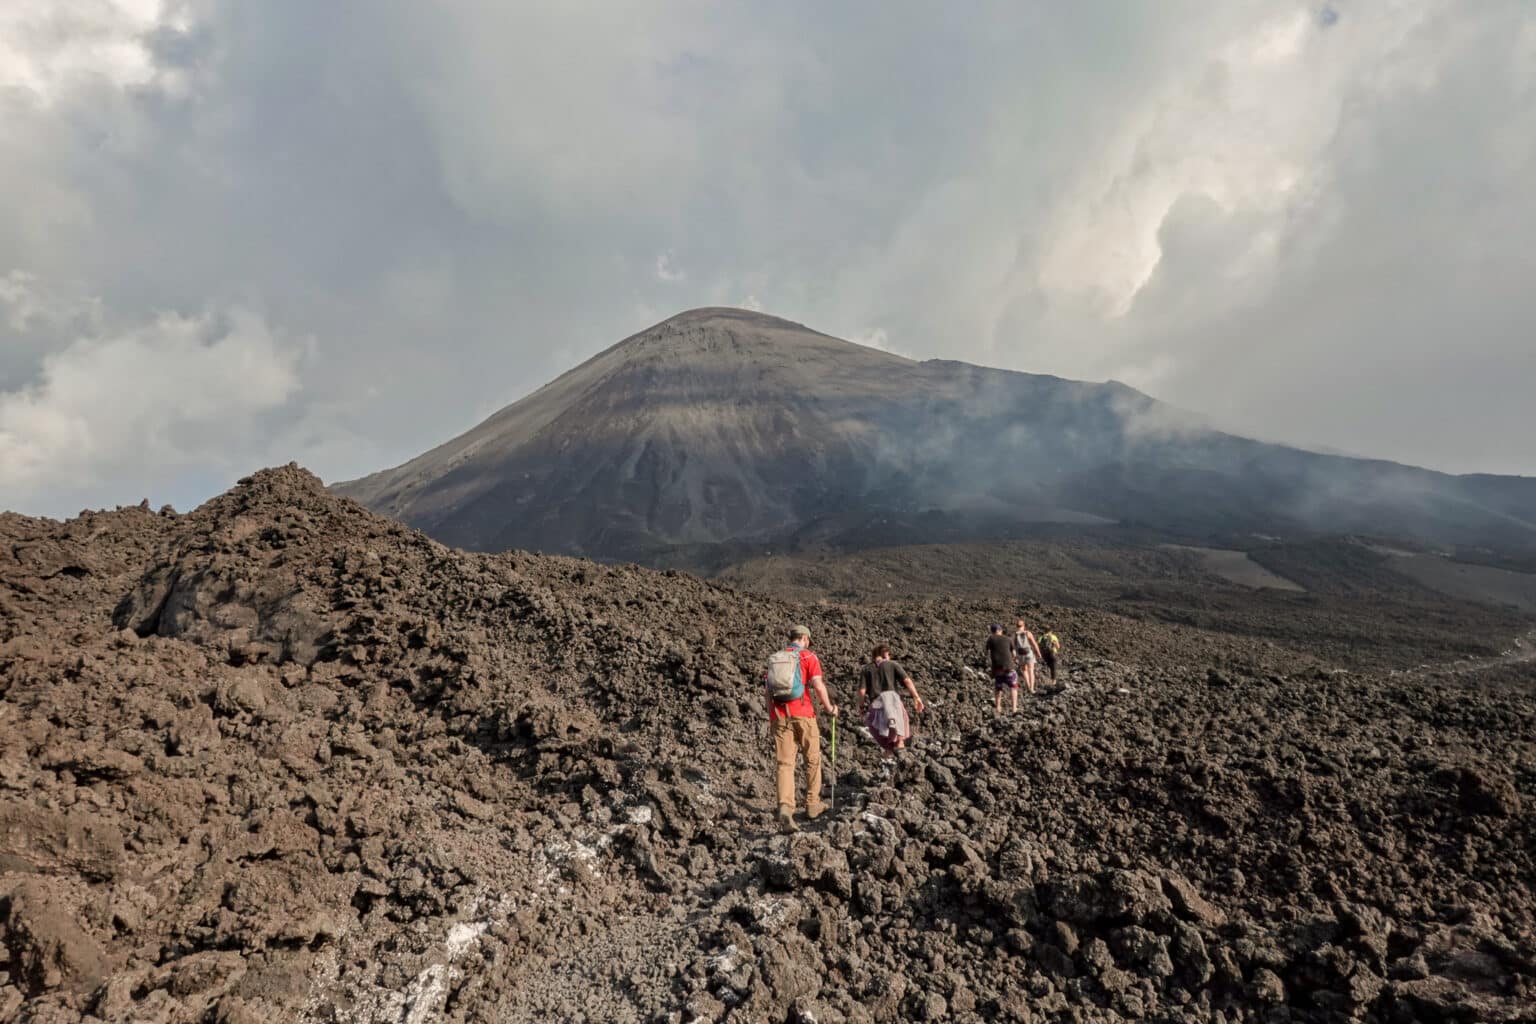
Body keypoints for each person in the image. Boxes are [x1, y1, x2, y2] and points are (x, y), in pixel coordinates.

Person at [764, 625, 839, 834]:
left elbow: (768, 692)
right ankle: (813, 804)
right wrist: (830, 708)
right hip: (804, 714)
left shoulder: (776, 658)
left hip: (780, 716)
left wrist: (773, 718)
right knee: (812, 759)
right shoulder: (808, 656)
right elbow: (817, 685)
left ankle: (785, 808)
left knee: (785, 764)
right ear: (805, 638)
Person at [858, 645, 925, 755]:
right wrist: (916, 697)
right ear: (885, 654)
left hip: (876, 705)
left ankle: (888, 761)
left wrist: (861, 707)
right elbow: (907, 680)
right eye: (889, 654)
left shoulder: (866, 669)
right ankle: (901, 762)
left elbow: (862, 691)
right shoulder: (892, 664)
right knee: (899, 739)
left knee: (887, 743)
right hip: (893, 703)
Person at [985, 624, 1019, 714]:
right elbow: (1014, 654)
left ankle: (998, 707)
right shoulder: (1008, 639)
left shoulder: (990, 639)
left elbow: (987, 652)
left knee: (998, 687)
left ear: (992, 631)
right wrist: (1013, 660)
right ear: (1000, 630)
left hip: (997, 668)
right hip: (1008, 666)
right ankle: (1014, 708)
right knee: (1013, 686)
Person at [1013, 619, 1044, 695]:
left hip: (1020, 655)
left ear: (1016, 626)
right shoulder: (1028, 633)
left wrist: (1015, 656)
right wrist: (1038, 653)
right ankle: (1032, 688)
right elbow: (1034, 644)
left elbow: (1014, 647)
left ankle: (1028, 687)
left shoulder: (1015, 635)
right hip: (1028, 653)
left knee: (1024, 670)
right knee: (1031, 670)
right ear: (1023, 625)